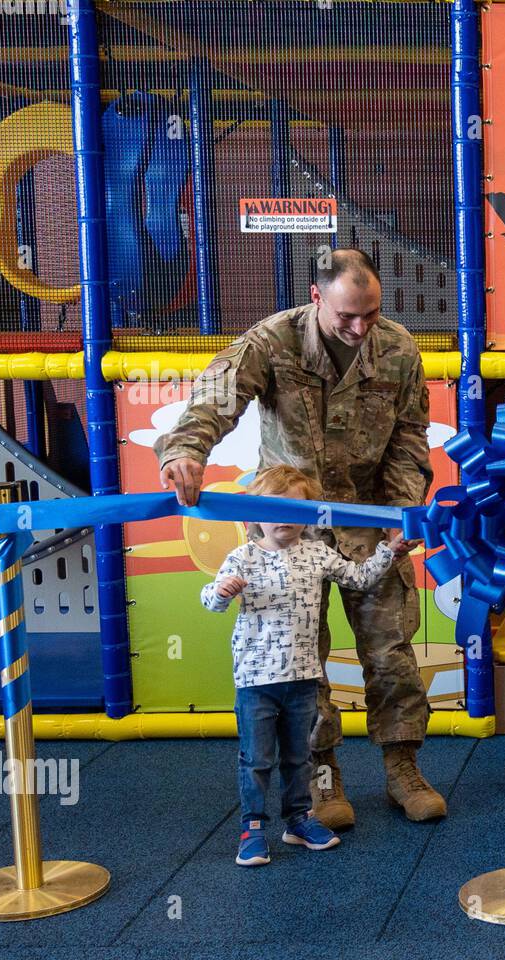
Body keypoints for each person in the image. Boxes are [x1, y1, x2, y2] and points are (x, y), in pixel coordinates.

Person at [155, 248, 443, 828]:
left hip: (369, 518)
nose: (361, 328)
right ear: (317, 298)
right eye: (347, 317)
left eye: (371, 313)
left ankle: (402, 767)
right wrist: (186, 452)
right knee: (299, 655)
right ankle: (320, 773)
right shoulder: (273, 340)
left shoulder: (399, 348)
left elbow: (411, 435)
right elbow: (215, 399)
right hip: (289, 524)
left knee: (391, 648)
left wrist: (404, 509)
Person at [201, 466, 409, 866]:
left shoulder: (316, 553)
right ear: (253, 516)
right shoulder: (242, 558)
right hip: (256, 680)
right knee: (257, 758)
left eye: (298, 508)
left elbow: (359, 577)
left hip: (302, 677)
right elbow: (211, 601)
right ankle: (253, 827)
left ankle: (298, 819)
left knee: (300, 756)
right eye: (276, 508)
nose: (287, 517)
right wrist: (221, 591)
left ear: (312, 514)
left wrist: (391, 550)